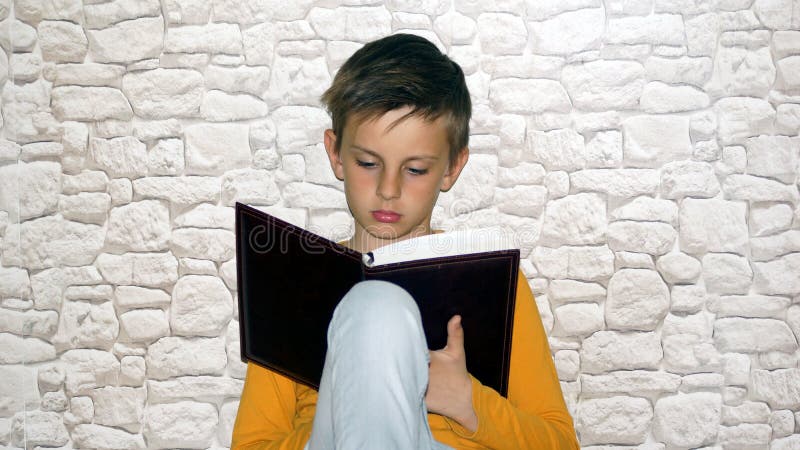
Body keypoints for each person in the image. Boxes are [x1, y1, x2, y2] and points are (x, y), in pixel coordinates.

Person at [231, 33, 578, 449]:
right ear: (336, 153)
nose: (388, 189)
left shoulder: (494, 282)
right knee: (375, 308)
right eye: (367, 163)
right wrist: (352, 407)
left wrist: (469, 403)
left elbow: (561, 444)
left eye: (414, 170)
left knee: (377, 307)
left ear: (451, 168)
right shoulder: (297, 285)